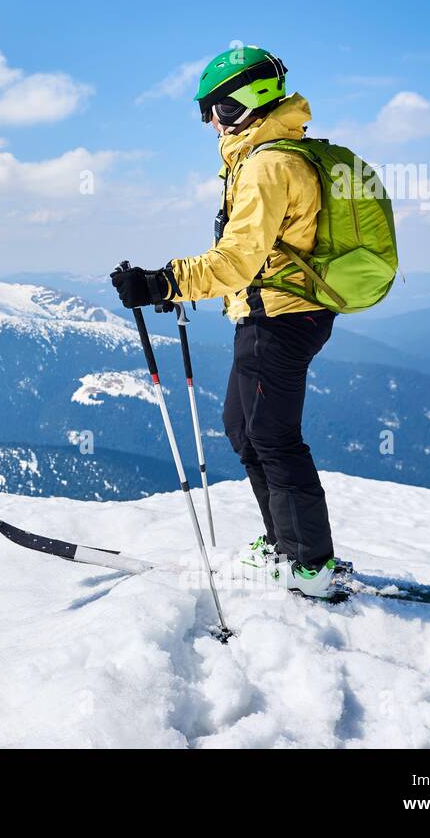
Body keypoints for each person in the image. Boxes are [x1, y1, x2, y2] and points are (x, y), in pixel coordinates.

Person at [110, 46, 338, 599]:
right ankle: (285, 547)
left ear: (248, 102)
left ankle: (311, 565)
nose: (210, 121)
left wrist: (164, 281)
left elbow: (239, 259)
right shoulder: (260, 157)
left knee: (273, 437)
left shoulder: (269, 165)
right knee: (244, 427)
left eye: (217, 107)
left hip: (281, 317)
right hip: (271, 312)